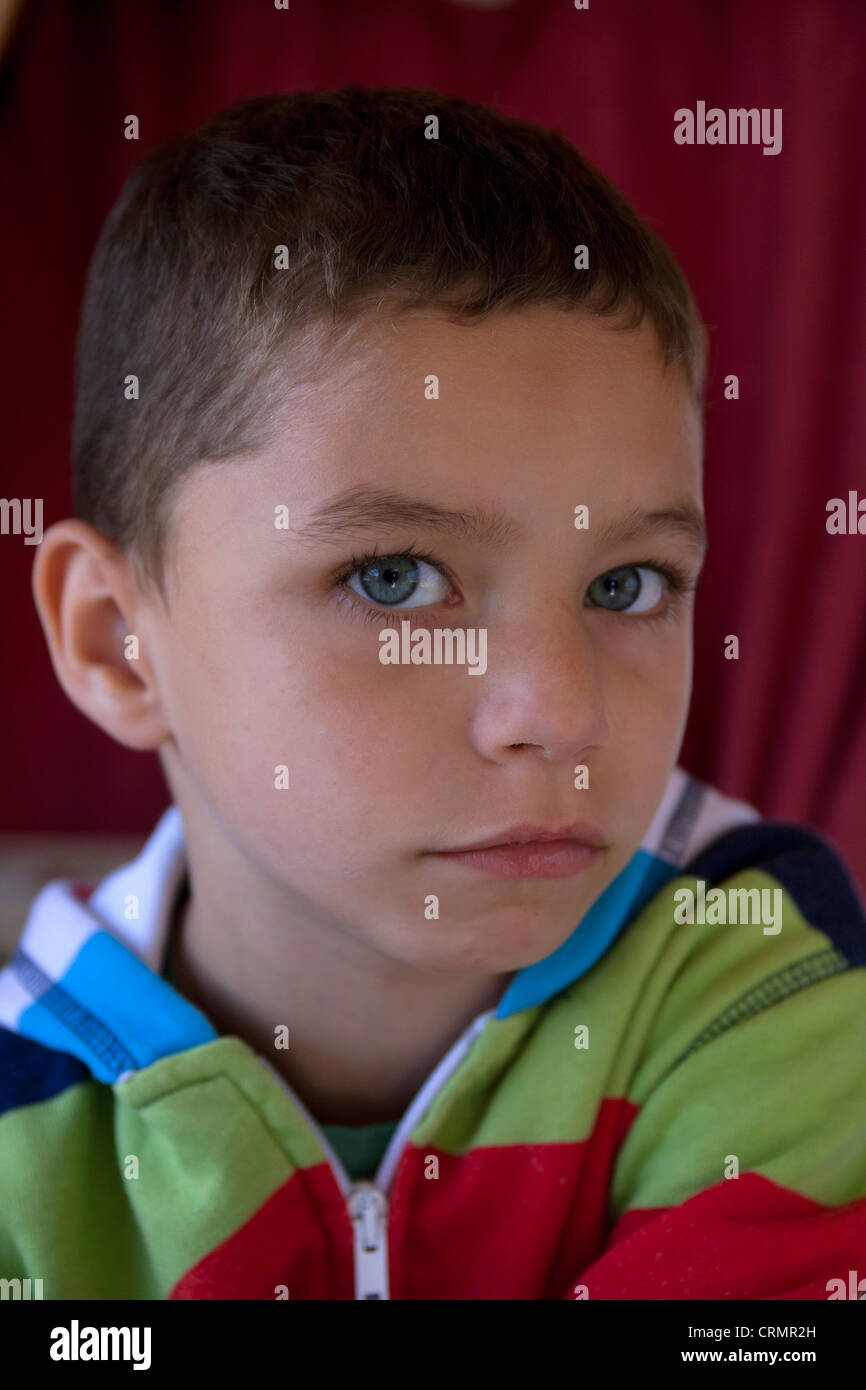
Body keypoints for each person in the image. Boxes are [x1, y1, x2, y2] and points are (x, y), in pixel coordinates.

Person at [1, 86, 864, 1301]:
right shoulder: (19, 1131)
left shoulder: (757, 964)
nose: (557, 712)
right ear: (115, 642)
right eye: (394, 580)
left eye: (625, 582)